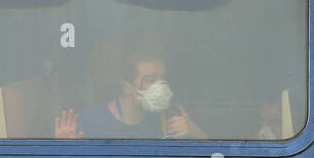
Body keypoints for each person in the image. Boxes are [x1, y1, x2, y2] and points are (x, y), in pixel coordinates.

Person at [54, 40, 206, 140]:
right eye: (150, 80)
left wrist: (194, 131)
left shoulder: (167, 117)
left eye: (162, 79)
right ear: (127, 86)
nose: (161, 87)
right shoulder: (89, 122)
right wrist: (61, 149)